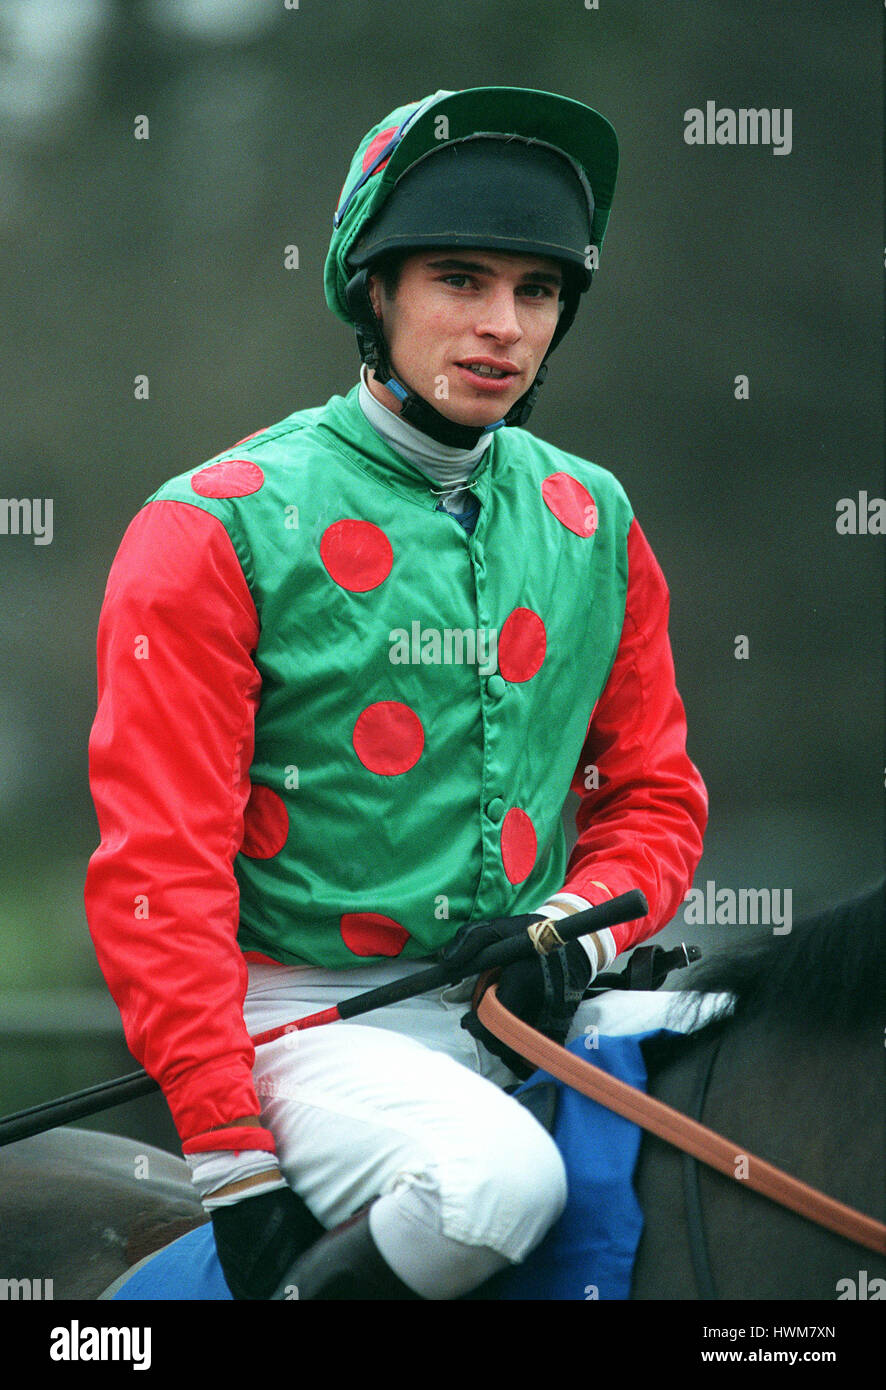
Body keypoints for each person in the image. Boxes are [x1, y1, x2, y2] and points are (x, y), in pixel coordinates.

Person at [84, 86, 708, 1300]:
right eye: (459, 281)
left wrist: (570, 928)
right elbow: (159, 877)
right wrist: (231, 1157)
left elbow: (651, 800)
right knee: (496, 1187)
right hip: (300, 1020)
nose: (502, 327)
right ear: (373, 292)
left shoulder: (596, 518)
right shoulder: (210, 528)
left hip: (524, 1006)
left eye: (536, 292)